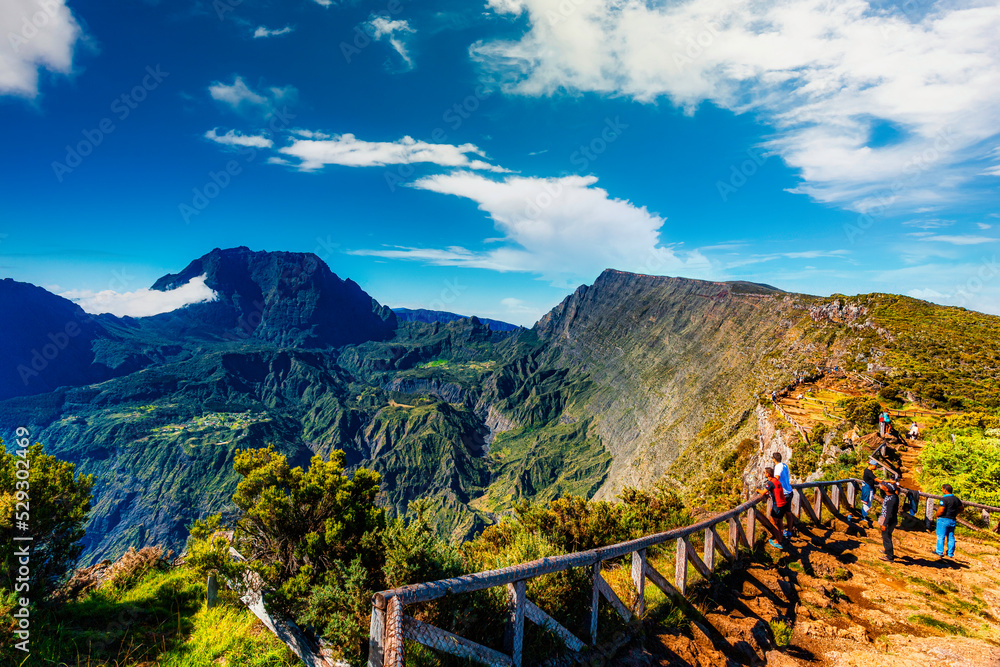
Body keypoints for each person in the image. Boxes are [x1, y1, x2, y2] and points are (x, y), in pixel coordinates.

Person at [757, 467, 788, 549]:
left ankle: (779, 542)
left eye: (765, 472)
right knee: (780, 523)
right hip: (783, 504)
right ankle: (780, 538)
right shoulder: (777, 481)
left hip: (777, 505)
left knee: (773, 523)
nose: (764, 474)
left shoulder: (770, 483)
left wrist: (758, 490)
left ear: (768, 474)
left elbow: (763, 492)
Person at [934, 484, 963, 558]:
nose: (942, 490)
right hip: (952, 519)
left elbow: (941, 510)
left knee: (941, 536)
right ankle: (950, 553)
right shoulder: (956, 499)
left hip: (943, 519)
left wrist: (937, 515)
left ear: (945, 490)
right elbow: (961, 508)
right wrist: (956, 513)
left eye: (942, 489)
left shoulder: (944, 499)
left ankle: (939, 551)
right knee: (951, 537)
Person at [772, 452, 795, 537]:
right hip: (789, 491)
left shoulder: (778, 467)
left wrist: (769, 487)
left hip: (783, 494)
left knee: (779, 516)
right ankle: (789, 532)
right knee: (788, 513)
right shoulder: (785, 465)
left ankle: (779, 537)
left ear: (774, 459)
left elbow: (776, 479)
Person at [878, 481, 900, 562]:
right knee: (885, 536)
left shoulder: (892, 500)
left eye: (885, 486)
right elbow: (883, 494)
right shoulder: (891, 496)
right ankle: (887, 551)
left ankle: (890, 556)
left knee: (887, 537)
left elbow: (889, 514)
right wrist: (881, 488)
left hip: (888, 521)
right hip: (886, 519)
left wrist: (885, 524)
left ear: (887, 489)